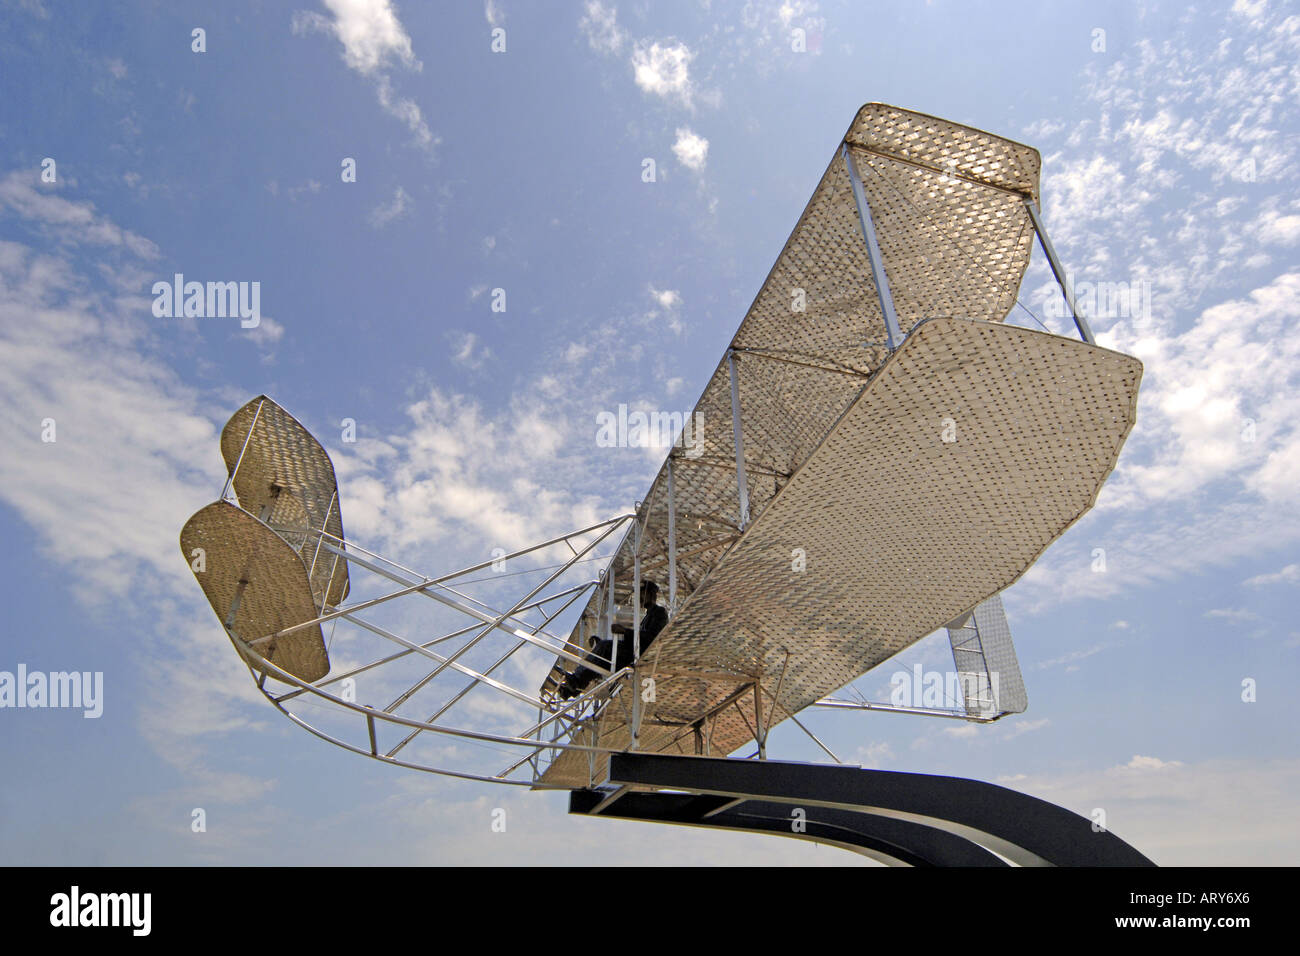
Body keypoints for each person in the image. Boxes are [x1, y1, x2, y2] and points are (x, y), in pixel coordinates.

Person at [558, 579, 667, 699]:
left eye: (642, 593)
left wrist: (625, 631)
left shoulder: (659, 612)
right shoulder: (647, 616)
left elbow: (652, 638)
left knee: (604, 647)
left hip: (640, 656)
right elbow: (639, 638)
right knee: (600, 657)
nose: (639, 597)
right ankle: (571, 690)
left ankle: (576, 681)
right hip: (633, 653)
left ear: (650, 594)